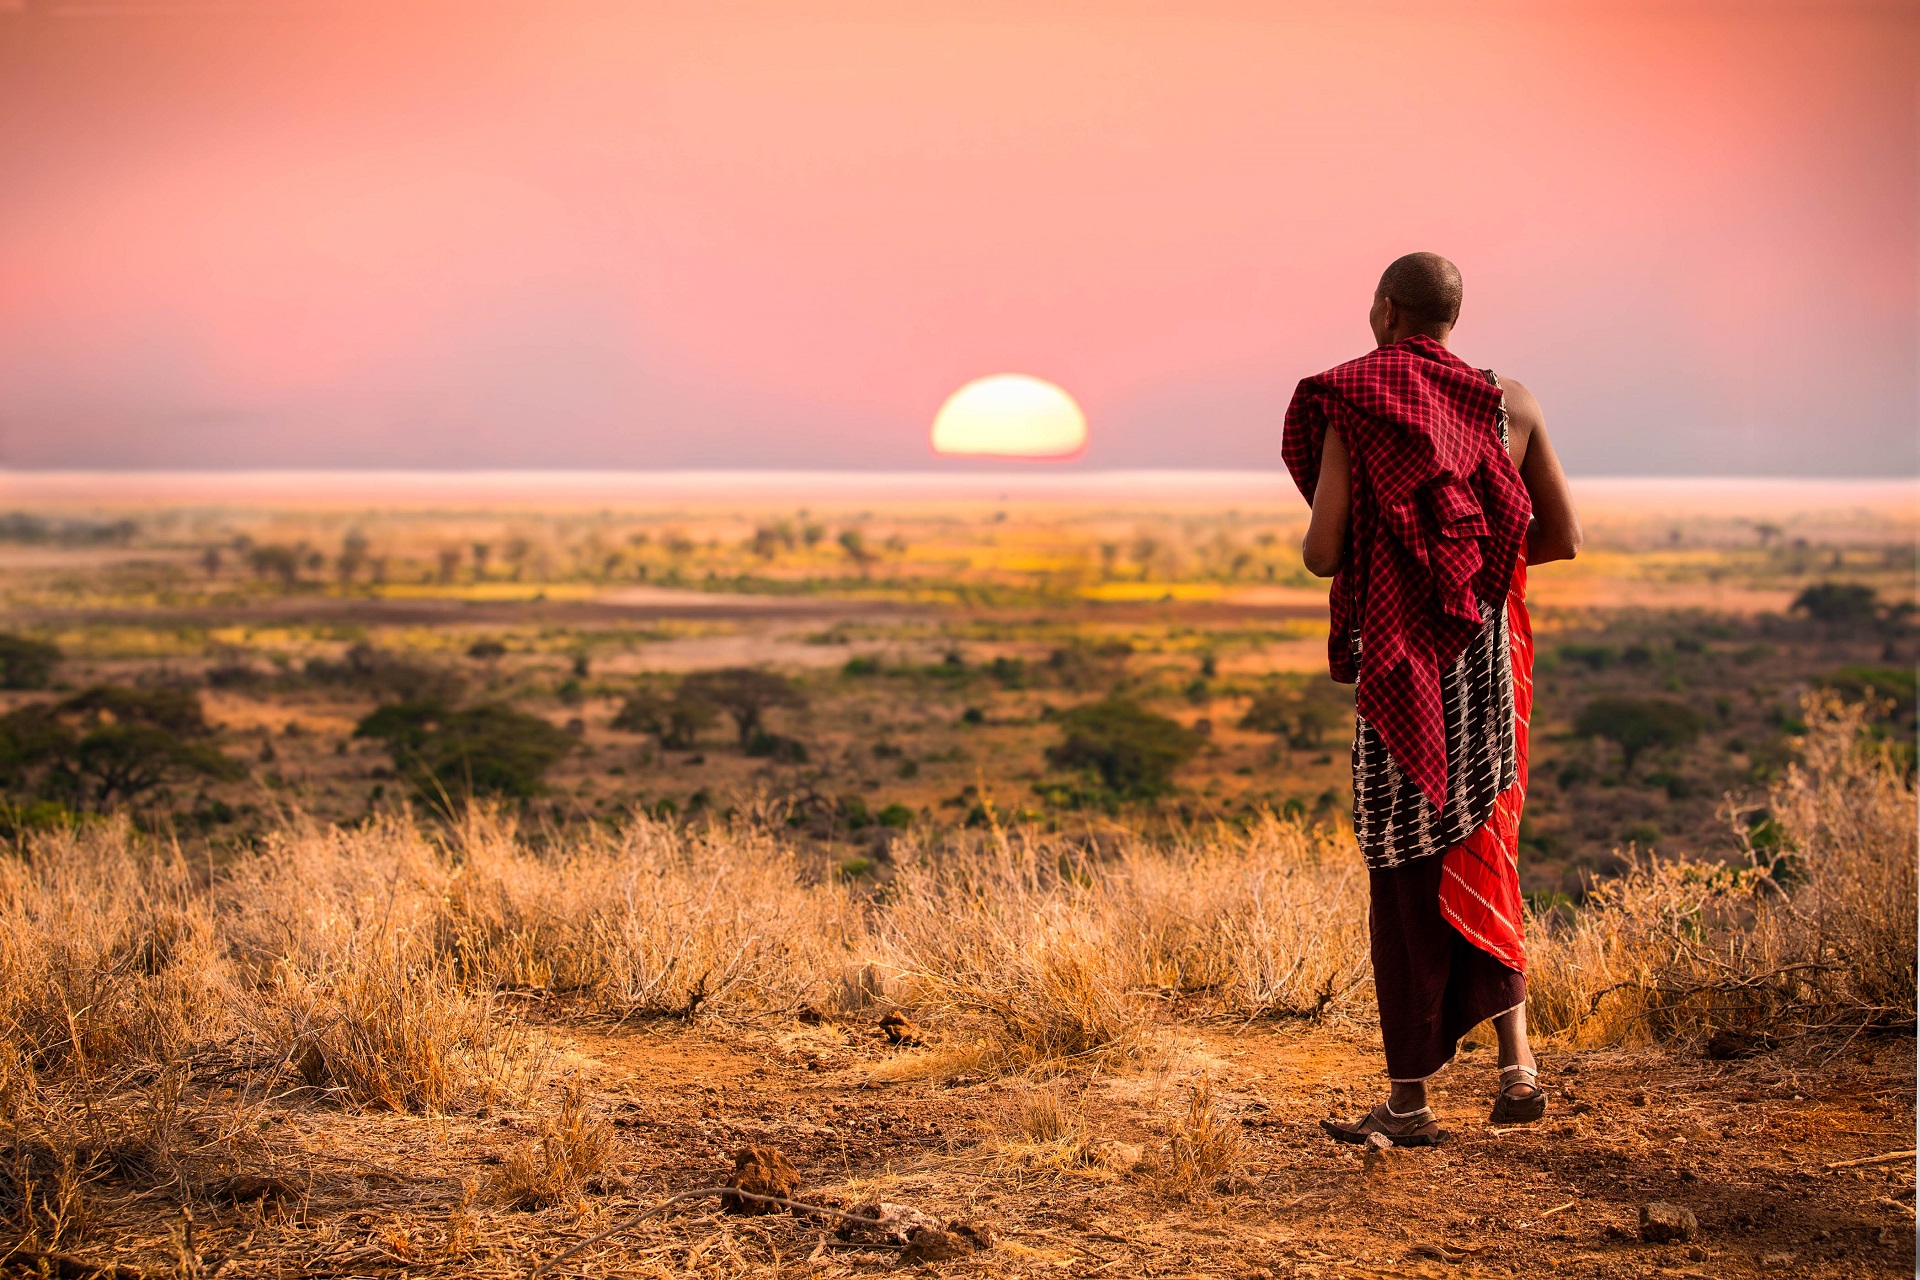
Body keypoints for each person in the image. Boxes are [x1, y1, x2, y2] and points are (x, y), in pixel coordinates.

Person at [1284, 252, 1582, 1146]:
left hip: (1402, 668)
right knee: (1483, 847)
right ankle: (1518, 1067)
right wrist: (1465, 567)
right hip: (1482, 662)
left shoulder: (1353, 403)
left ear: (1383, 311)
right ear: (1453, 317)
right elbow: (1560, 536)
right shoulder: (1511, 403)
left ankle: (1409, 1102)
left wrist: (1407, 571)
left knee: (1405, 868)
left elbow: (1323, 551)